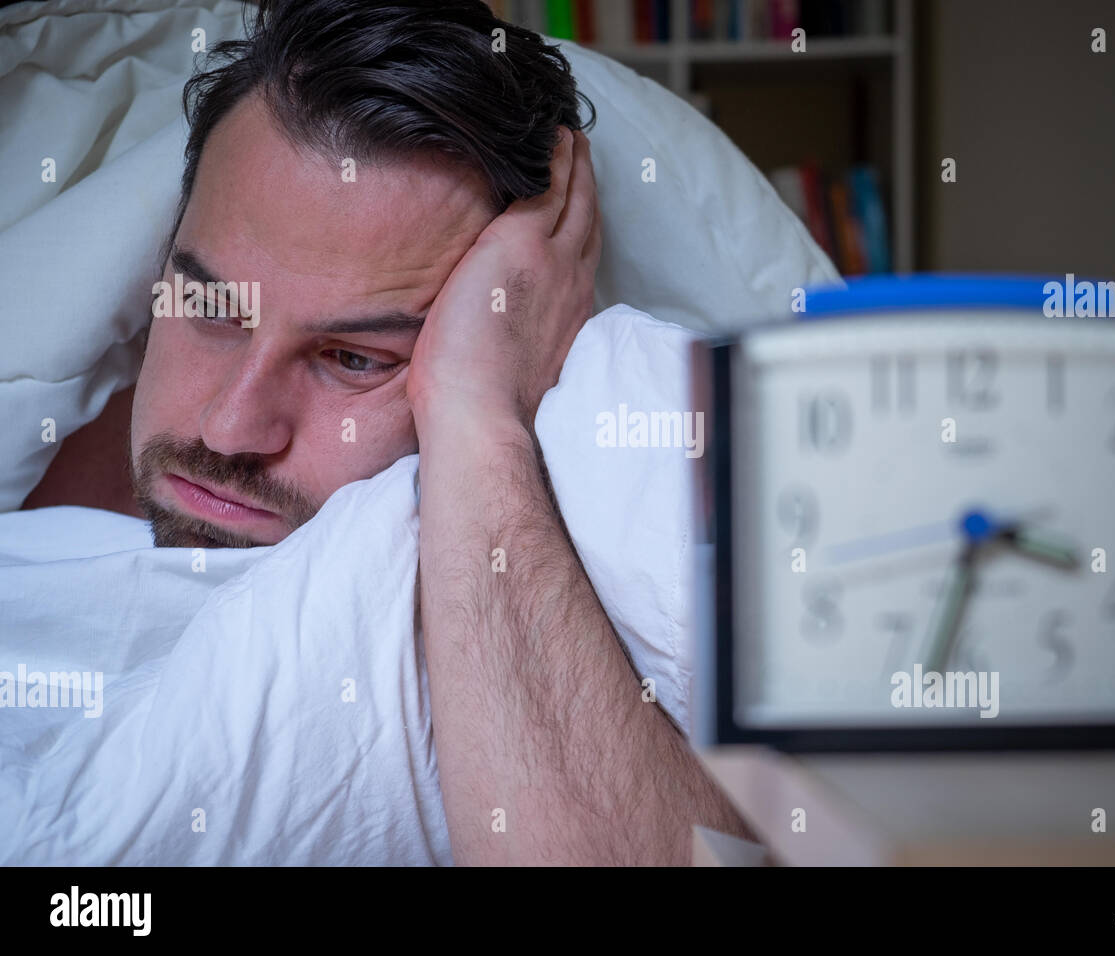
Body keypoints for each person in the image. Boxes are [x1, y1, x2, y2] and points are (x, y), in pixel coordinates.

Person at [21, 0, 753, 865]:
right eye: (211, 308)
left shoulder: (581, 479)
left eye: (354, 358)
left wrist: (480, 412)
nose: (229, 428)